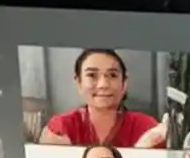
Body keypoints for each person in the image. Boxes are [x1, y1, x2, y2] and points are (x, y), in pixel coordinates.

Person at [38, 49, 166, 148]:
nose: (103, 85)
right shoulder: (62, 126)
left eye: (112, 75)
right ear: (79, 83)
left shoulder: (147, 127)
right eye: (92, 75)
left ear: (124, 84)